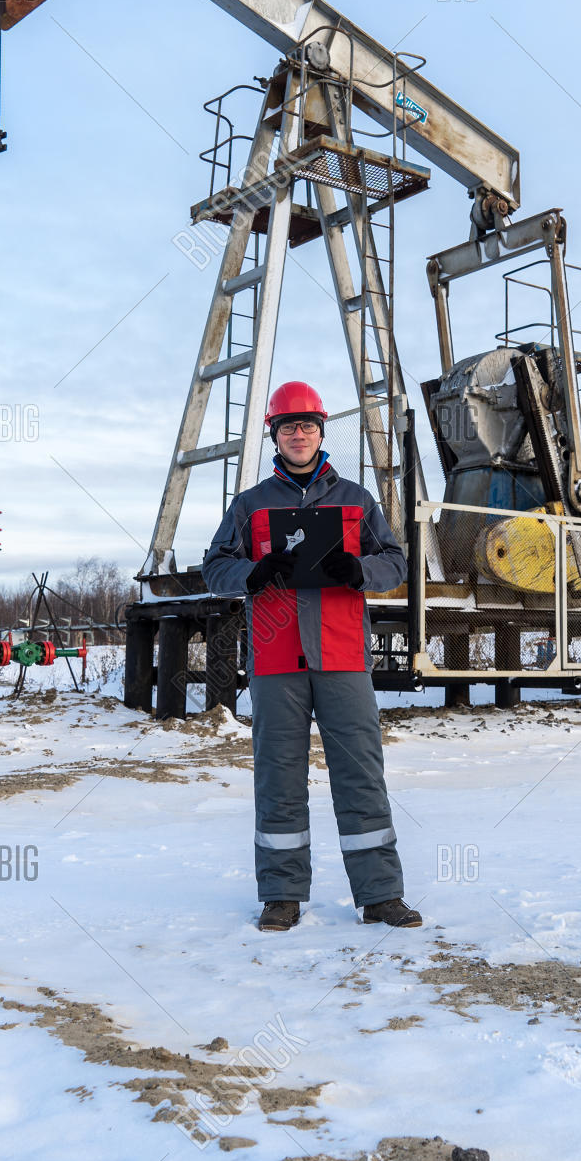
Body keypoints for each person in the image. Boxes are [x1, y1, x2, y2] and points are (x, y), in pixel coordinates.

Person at [203, 380, 422, 934]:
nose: (298, 435)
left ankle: (381, 895)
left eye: (307, 426)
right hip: (276, 659)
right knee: (278, 777)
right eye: (287, 427)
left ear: (321, 433)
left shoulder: (356, 499)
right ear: (275, 436)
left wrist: (361, 570)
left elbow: (396, 562)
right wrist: (252, 573)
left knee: (361, 774)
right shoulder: (250, 505)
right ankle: (281, 895)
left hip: (342, 655)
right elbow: (215, 567)